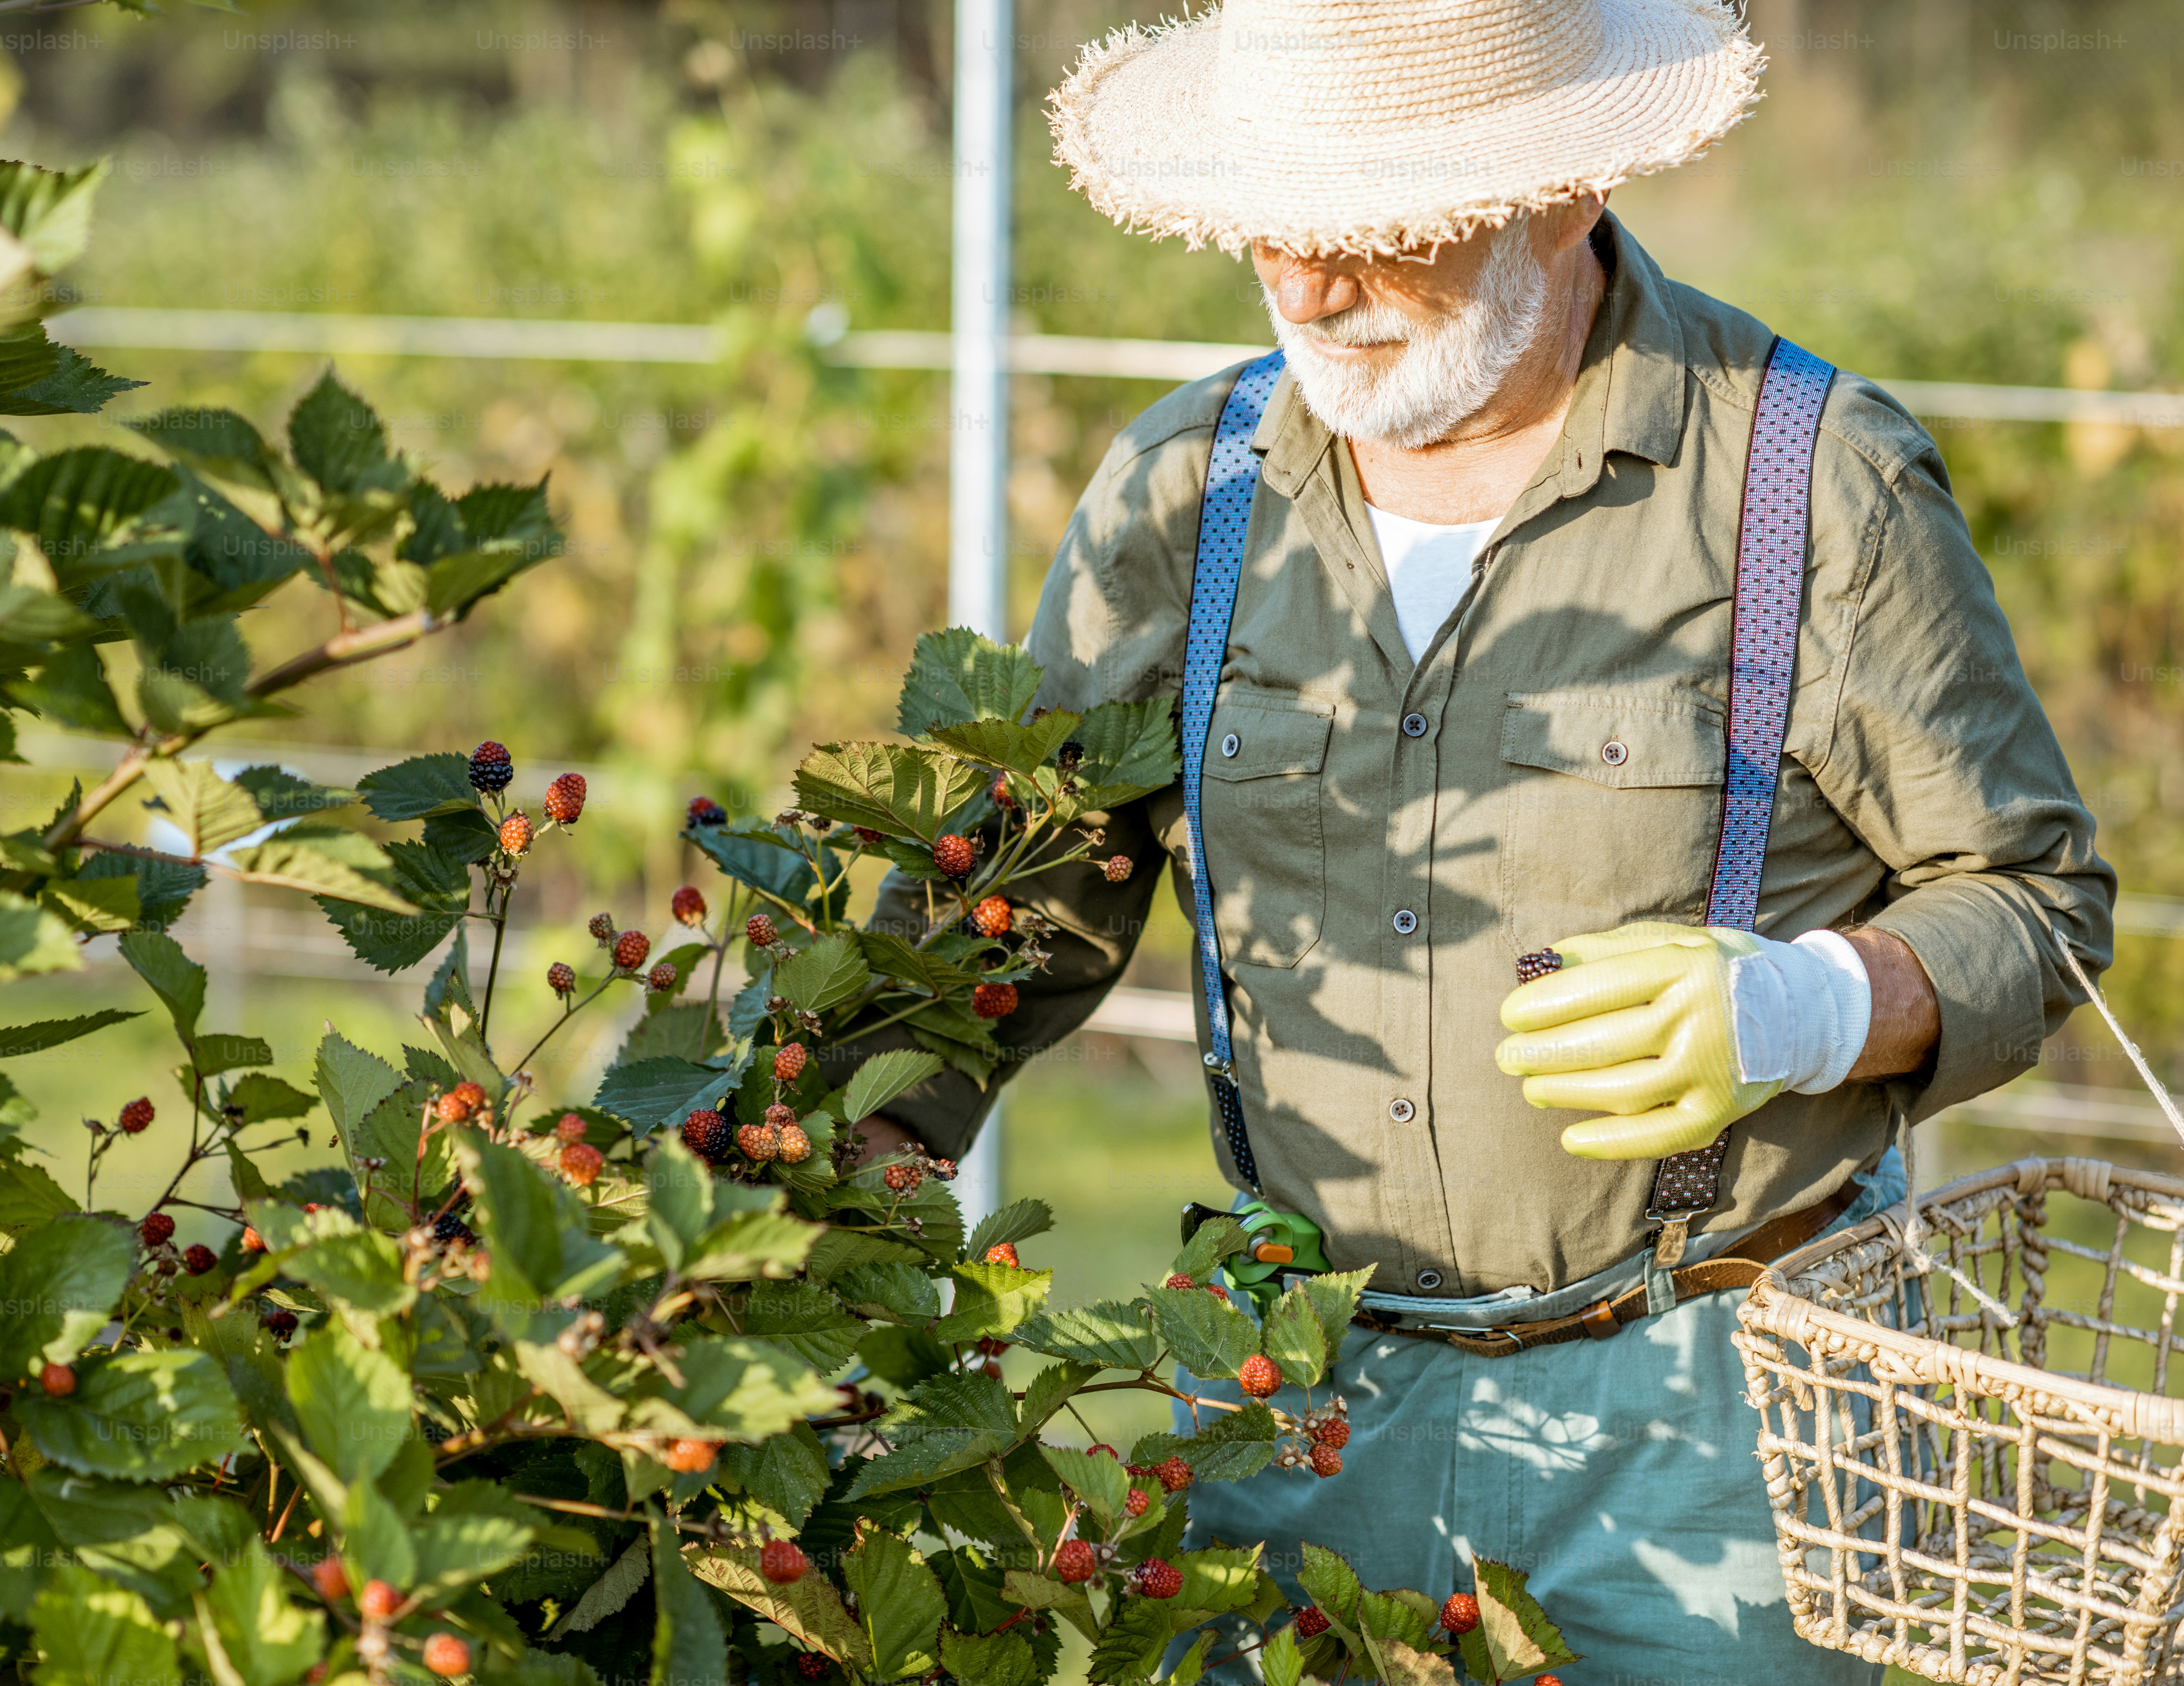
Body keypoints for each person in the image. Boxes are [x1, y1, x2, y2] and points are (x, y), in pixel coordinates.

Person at [844, 0, 2116, 1678]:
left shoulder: (1805, 486)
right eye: (1269, 227)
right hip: (1290, 1403)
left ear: (1570, 185)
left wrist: (1803, 1003)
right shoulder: (1186, 496)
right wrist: (809, 1175)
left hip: (1718, 1424)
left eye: (1378, 230)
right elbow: (1002, 917)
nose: (1307, 285)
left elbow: (2034, 898)